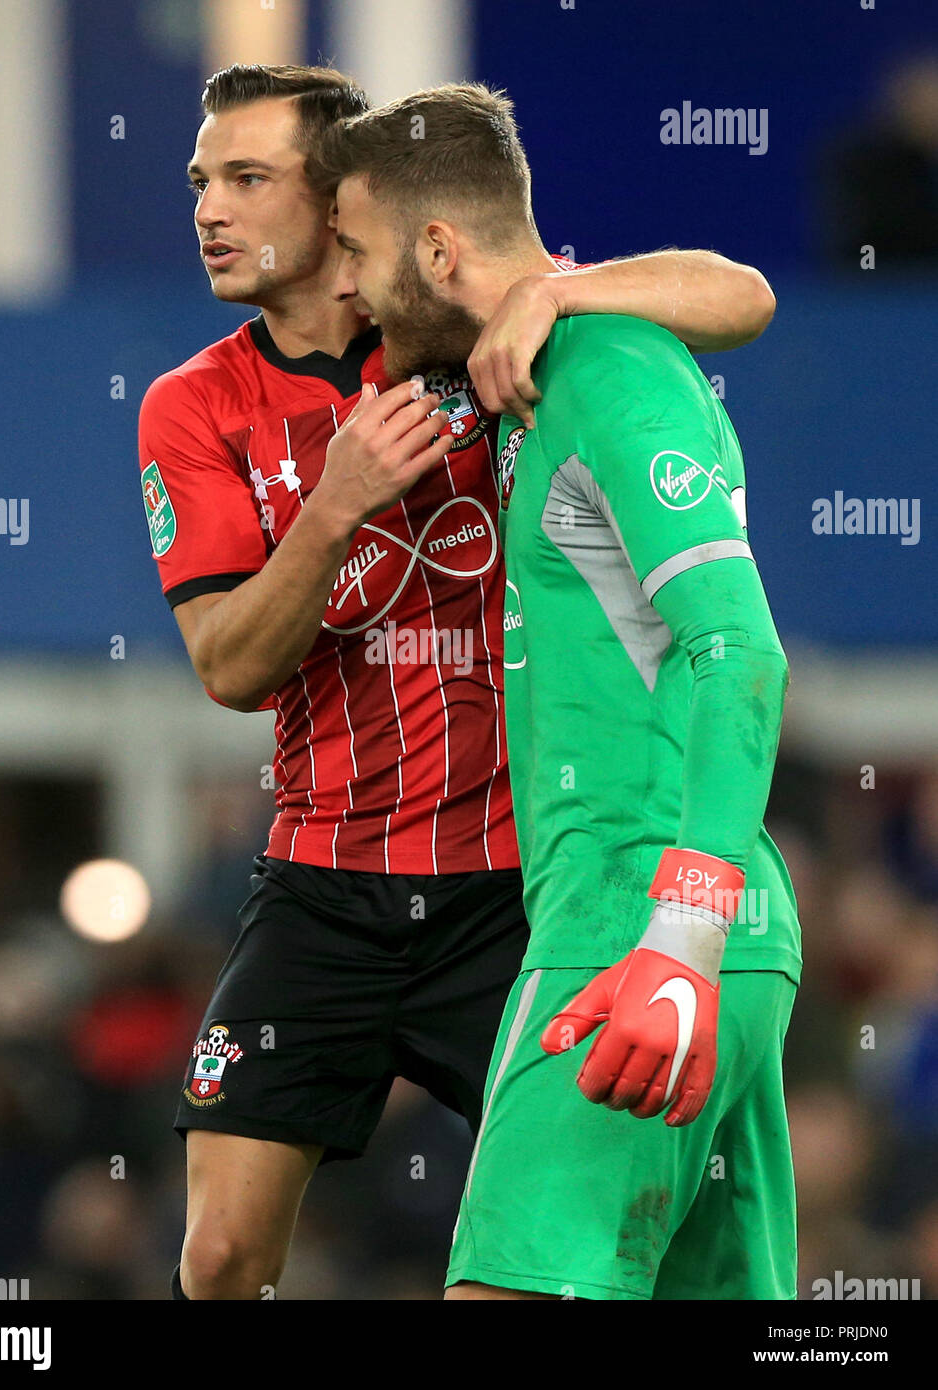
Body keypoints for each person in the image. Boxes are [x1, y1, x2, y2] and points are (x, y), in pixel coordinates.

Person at [138, 63, 777, 1301]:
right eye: (200, 181)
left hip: (509, 887)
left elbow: (737, 293)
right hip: (325, 879)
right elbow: (227, 665)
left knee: (588, 1233)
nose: (209, 208)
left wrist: (557, 291)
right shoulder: (194, 405)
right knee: (218, 1258)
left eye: (245, 178)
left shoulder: (460, 325)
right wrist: (330, 512)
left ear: (342, 217)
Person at [312, 82, 801, 1300]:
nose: (350, 292)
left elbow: (740, 651)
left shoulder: (602, 368)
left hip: (637, 926)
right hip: (689, 936)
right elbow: (735, 291)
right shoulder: (543, 368)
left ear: (438, 250)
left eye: (362, 255)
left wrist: (677, 941)